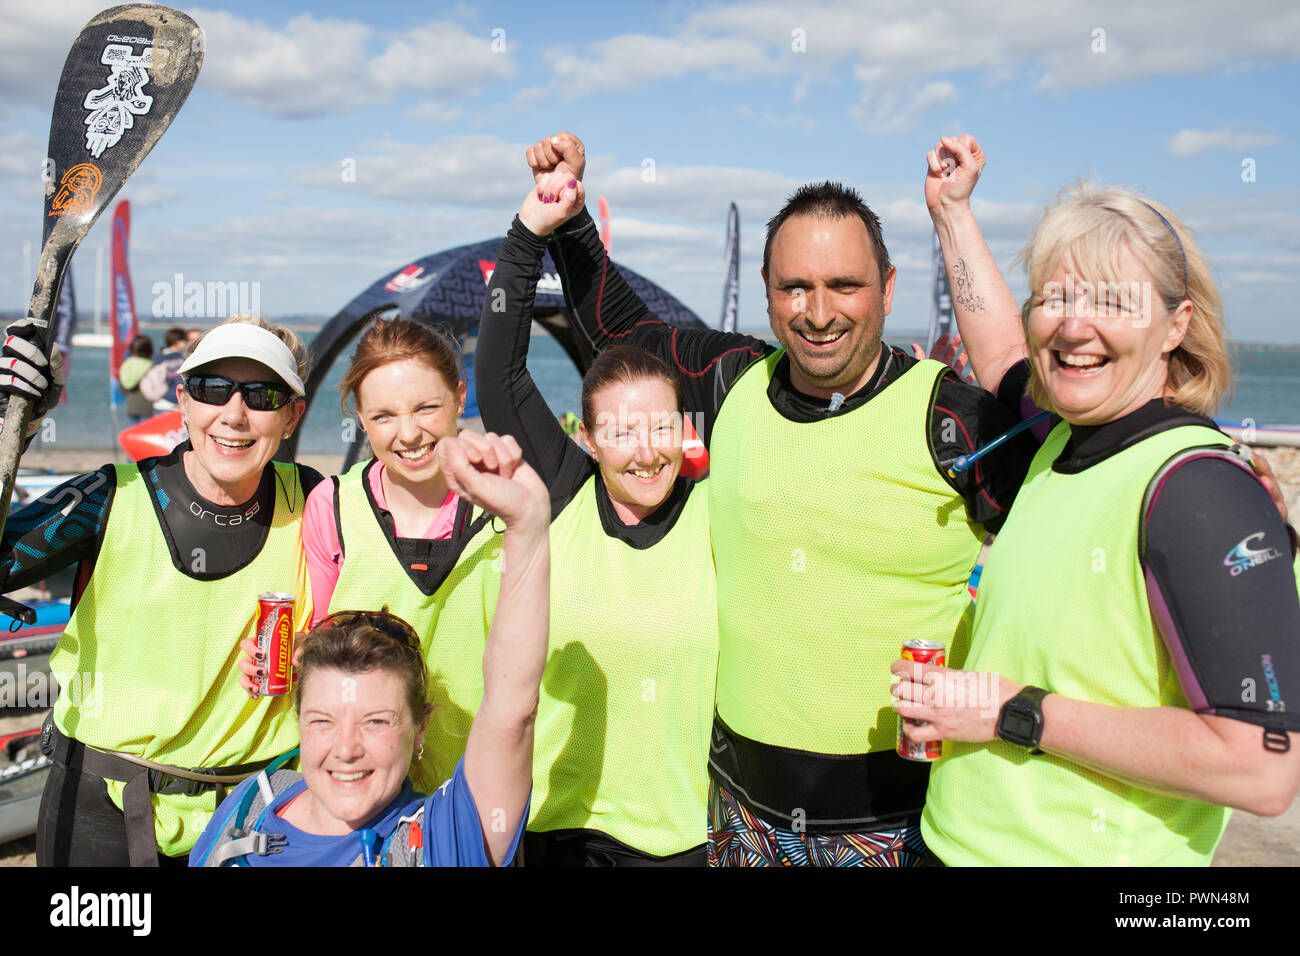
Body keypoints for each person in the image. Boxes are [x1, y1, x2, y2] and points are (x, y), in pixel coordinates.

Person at [525, 132, 1038, 866]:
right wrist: (571, 212)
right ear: (768, 293)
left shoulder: (953, 420)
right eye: (794, 287)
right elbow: (621, 330)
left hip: (899, 826)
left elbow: (1062, 540)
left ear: (888, 290)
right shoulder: (734, 380)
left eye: (845, 286)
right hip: (739, 819)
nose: (818, 312)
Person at [891, 150, 1300, 865]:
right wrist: (952, 215)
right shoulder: (1060, 442)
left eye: (1111, 302)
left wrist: (1014, 712)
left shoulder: (1199, 491)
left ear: (1175, 326)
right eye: (1054, 297)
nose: (1073, 328)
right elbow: (999, 355)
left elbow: (1261, 767)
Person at [0, 314, 320, 866]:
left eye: (262, 395)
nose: (235, 414)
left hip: (254, 813)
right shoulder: (108, 497)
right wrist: (12, 422)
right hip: (101, 809)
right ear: (183, 400)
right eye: (213, 388)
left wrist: (314, 651)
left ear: (292, 416)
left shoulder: (319, 504)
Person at [473, 174, 718, 866]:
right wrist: (529, 234)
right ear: (588, 435)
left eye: (660, 427)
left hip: (688, 838)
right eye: (622, 432)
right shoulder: (565, 493)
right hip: (562, 833)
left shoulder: (716, 513)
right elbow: (499, 374)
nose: (645, 453)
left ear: (685, 427)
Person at [191, 430, 550, 867]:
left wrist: (528, 524)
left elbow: (511, 712)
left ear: (420, 730)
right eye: (322, 721)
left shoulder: (435, 840)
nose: (346, 749)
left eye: (376, 721)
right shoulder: (251, 806)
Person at [238, 318, 502, 794]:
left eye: (427, 408)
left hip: (481, 791)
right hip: (363, 786)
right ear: (360, 415)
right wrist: (282, 656)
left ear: (460, 398)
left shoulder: (505, 501)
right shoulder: (334, 505)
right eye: (383, 416)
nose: (408, 434)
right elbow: (324, 639)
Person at [138, 326, 190, 407]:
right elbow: (179, 381)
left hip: (158, 399)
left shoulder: (159, 356)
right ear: (177, 342)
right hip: (171, 401)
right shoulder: (177, 359)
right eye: (184, 340)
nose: (186, 343)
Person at [119, 333, 155, 424]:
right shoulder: (150, 365)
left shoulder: (126, 364)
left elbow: (123, 388)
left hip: (132, 406)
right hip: (148, 407)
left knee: (135, 432)